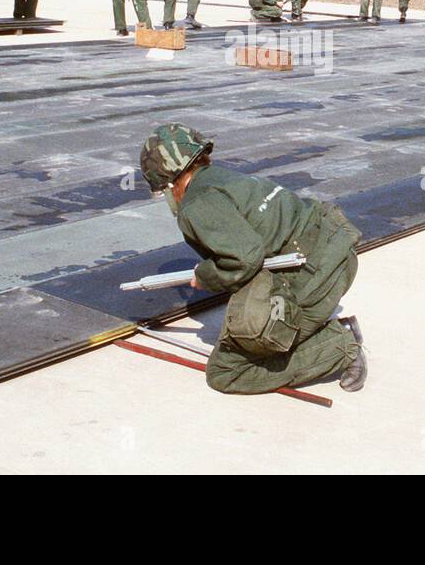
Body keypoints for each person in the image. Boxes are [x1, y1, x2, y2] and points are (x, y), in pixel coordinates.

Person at [139, 123, 368, 394]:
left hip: (315, 275)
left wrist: (205, 276)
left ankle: (339, 348)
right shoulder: (220, 177)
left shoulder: (196, 205)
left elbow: (245, 259)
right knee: (255, 328)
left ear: (169, 182)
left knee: (227, 371)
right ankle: (326, 330)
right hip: (334, 248)